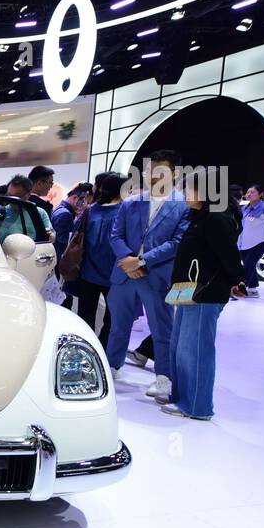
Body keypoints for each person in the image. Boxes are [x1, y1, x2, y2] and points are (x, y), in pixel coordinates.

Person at [105, 149, 189, 402]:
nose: (152, 176)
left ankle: (164, 376)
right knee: (118, 325)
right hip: (124, 274)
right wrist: (128, 261)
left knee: (162, 328)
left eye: (159, 171)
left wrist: (140, 261)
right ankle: (112, 366)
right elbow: (115, 235)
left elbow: (177, 242)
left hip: (156, 275)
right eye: (149, 170)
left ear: (174, 173)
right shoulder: (131, 202)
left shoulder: (183, 205)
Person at [162, 182, 246, 420]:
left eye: (190, 189)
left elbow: (230, 258)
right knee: (181, 347)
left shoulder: (217, 219)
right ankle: (181, 397)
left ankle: (197, 406)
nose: (185, 194)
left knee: (195, 350)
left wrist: (237, 280)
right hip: (190, 291)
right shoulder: (202, 216)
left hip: (205, 293)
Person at [76, 172, 126, 347]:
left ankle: (85, 348)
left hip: (87, 271)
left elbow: (77, 235)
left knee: (85, 315)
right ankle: (103, 351)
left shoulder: (90, 210)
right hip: (114, 274)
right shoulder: (123, 212)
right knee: (113, 318)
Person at [237, 184, 264, 299]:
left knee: (248, 265)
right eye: (248, 192)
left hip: (261, 241)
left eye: (252, 192)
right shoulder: (243, 208)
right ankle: (253, 290)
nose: (248, 194)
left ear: (260, 194)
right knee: (250, 265)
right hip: (244, 243)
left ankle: (240, 289)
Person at [0, 175, 54, 242]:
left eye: (17, 196)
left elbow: (51, 236)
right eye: (9, 195)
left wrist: (50, 236)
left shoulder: (39, 213)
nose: (12, 200)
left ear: (28, 194)